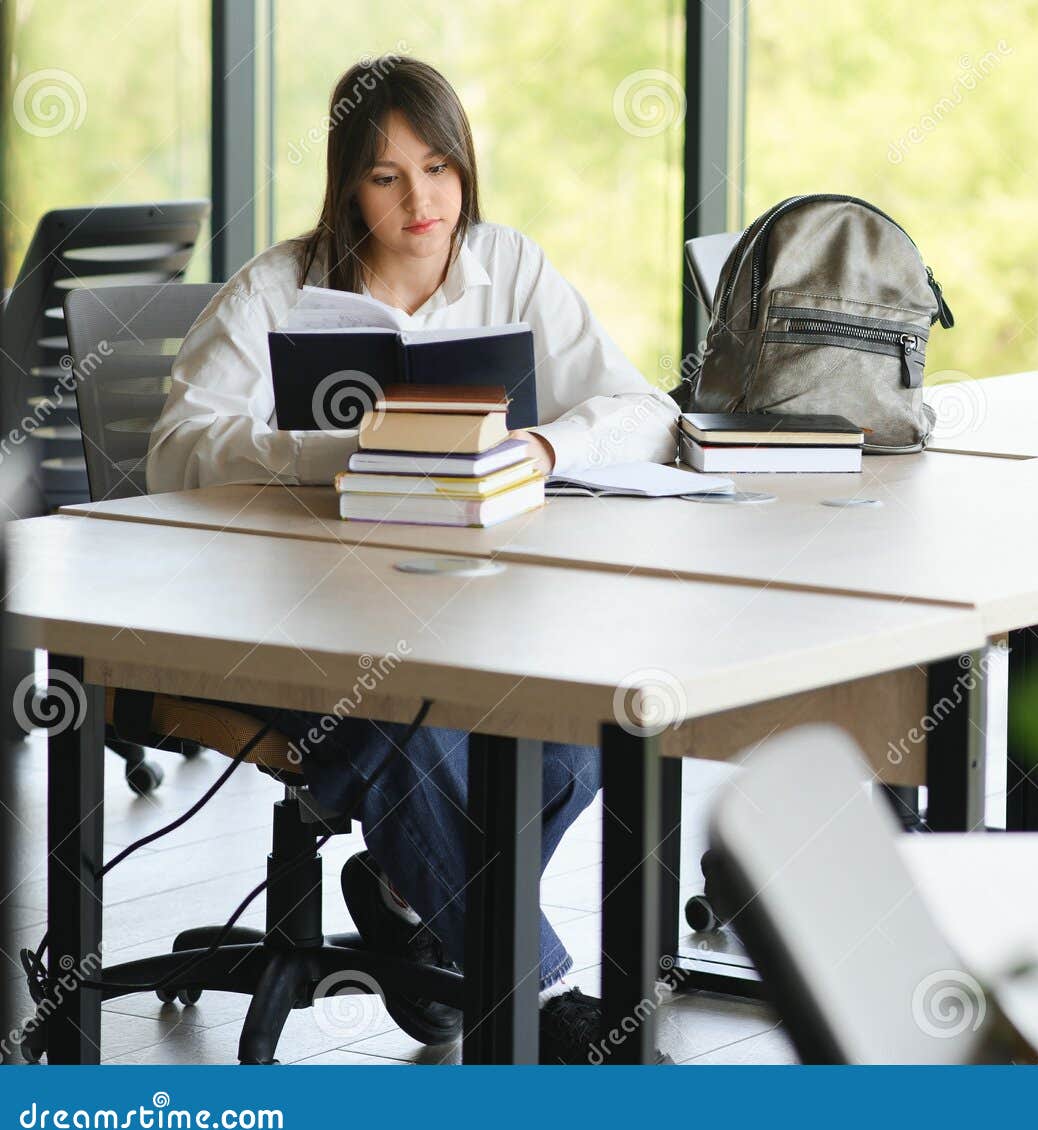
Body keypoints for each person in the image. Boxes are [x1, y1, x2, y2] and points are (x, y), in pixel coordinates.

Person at [146, 55, 679, 1062]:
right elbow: (176, 450)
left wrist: (545, 445)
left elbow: (645, 408)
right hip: (294, 620)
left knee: (580, 726)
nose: (420, 200)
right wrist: (338, 448)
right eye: (386, 176)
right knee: (399, 724)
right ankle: (540, 995)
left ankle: (404, 890)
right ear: (348, 185)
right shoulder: (281, 286)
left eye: (438, 169)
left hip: (472, 611)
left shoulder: (508, 265)